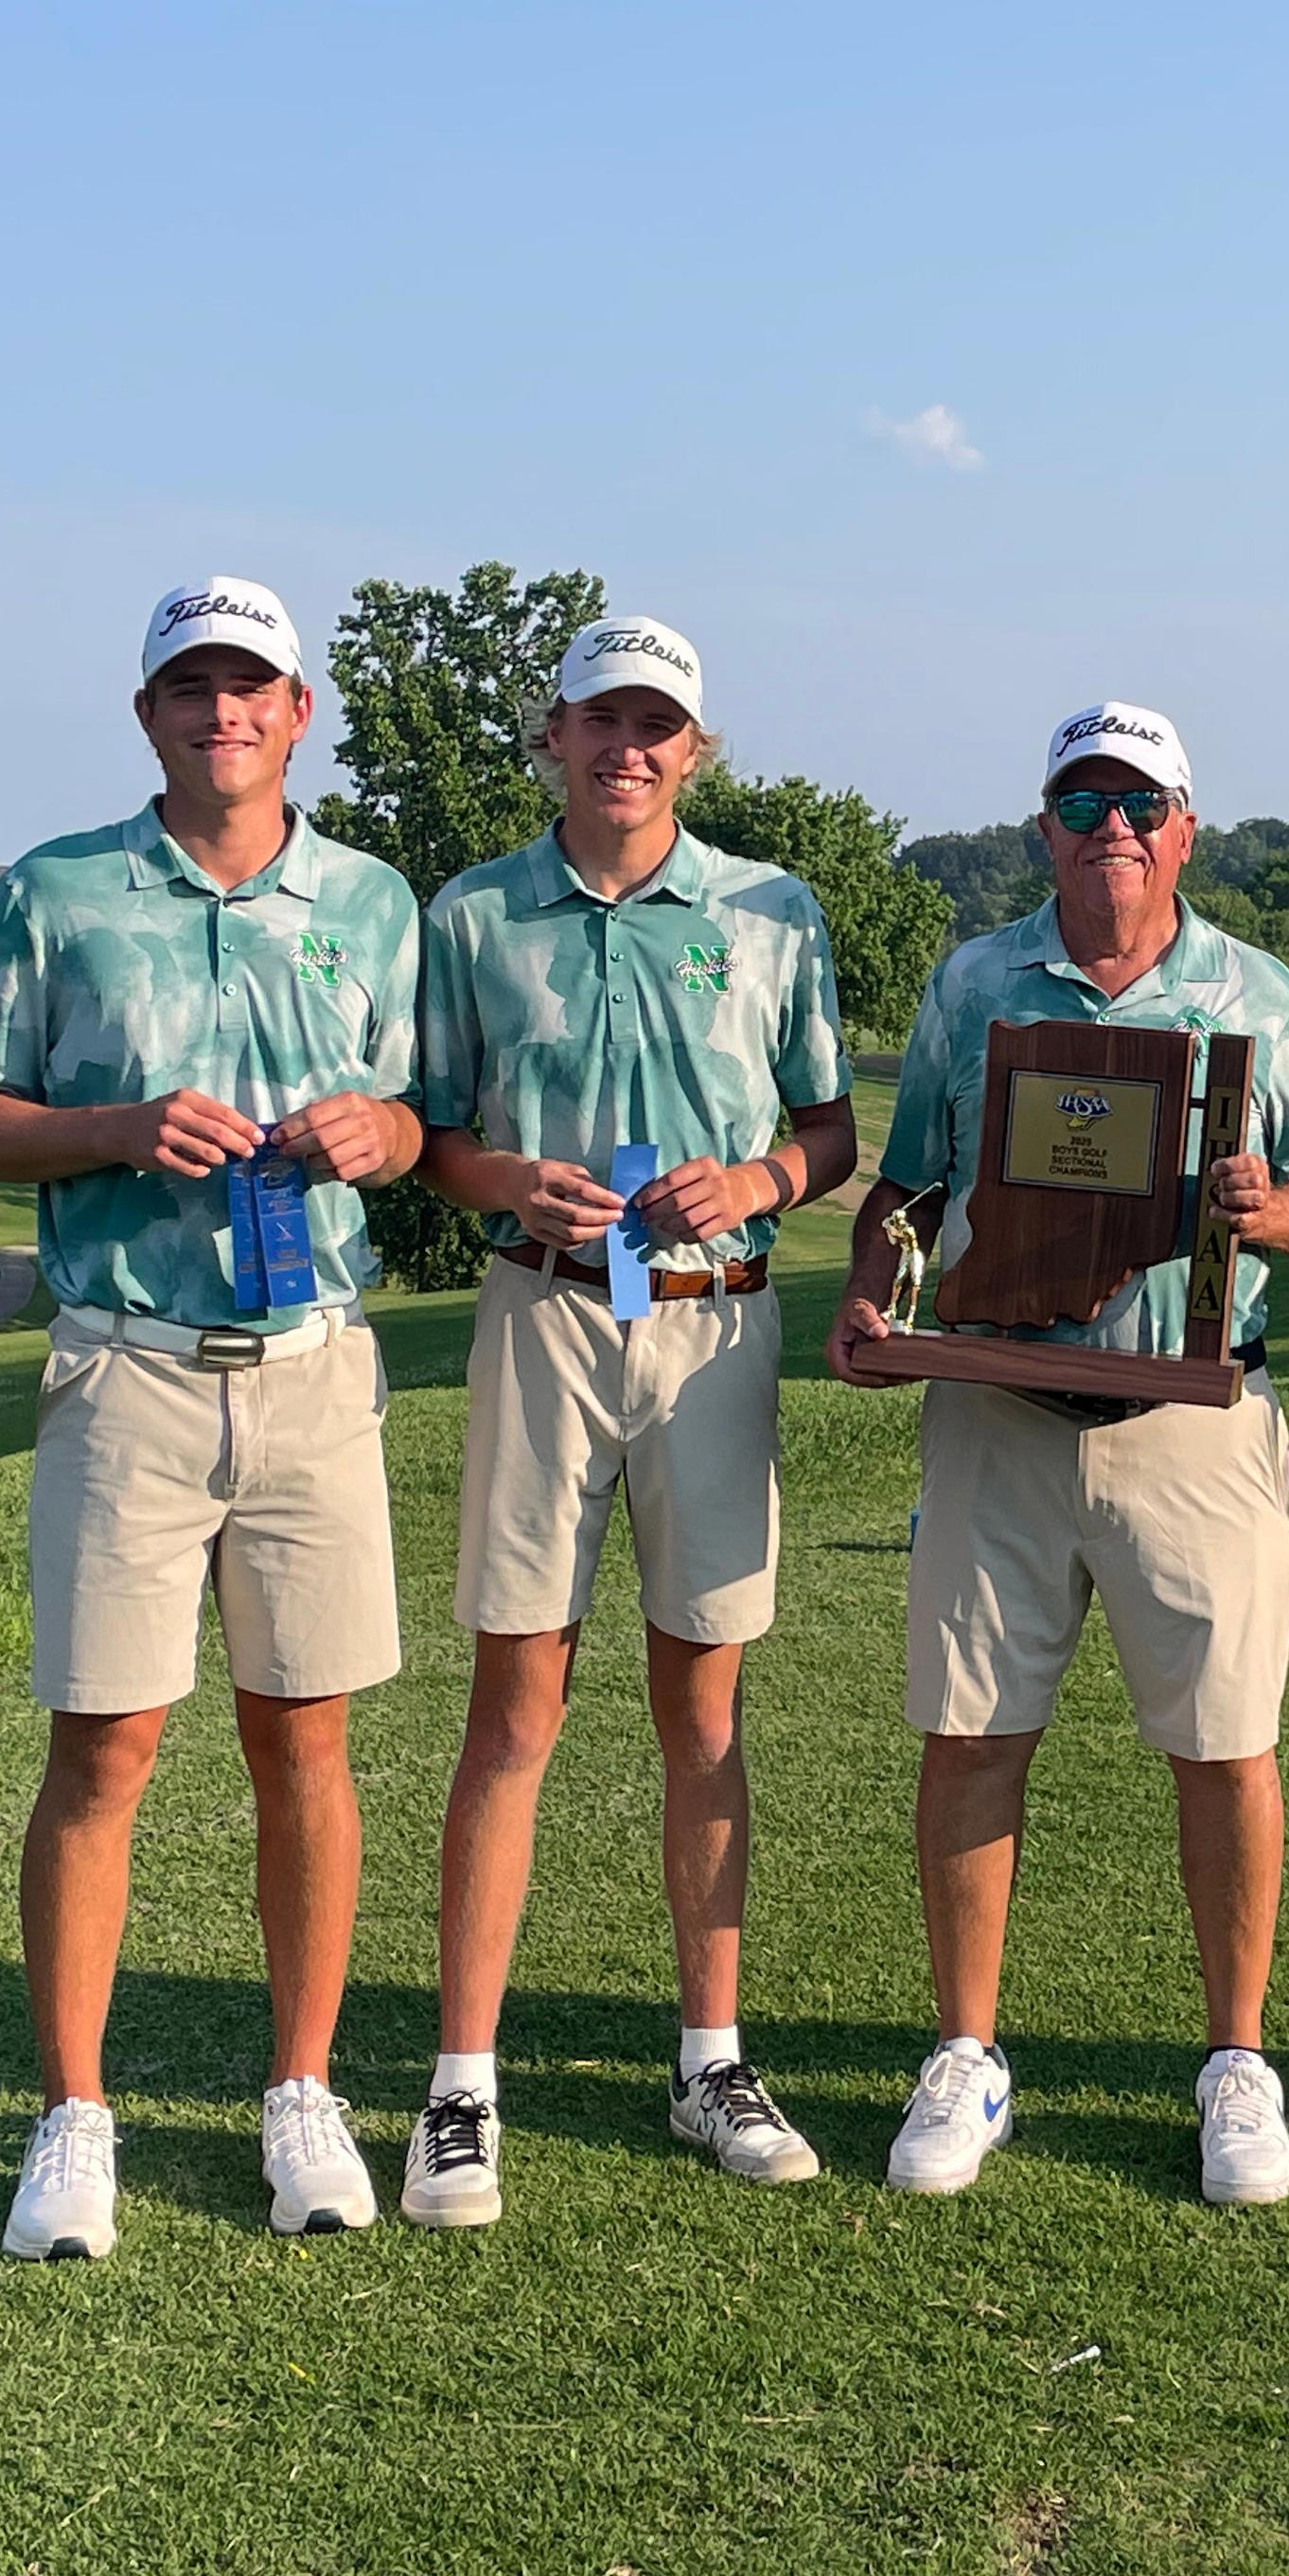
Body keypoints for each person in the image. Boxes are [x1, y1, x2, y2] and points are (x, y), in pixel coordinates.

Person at [0, 575, 424, 2262]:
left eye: (252, 686)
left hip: (310, 1365)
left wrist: (386, 1139)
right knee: (103, 1746)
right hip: (125, 1362)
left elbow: (419, 1108)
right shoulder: (57, 891)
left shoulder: (369, 897)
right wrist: (117, 1125)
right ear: (148, 713)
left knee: (306, 1742)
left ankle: (301, 2091)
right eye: (191, 686)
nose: (222, 712)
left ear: (299, 714)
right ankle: (75, 2113)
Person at [827, 702, 1289, 2207]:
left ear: (1186, 826)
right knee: (972, 1731)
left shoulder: (1252, 990)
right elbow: (909, 1186)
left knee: (1224, 1746)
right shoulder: (975, 979)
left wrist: (1275, 1210)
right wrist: (876, 1282)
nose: (1110, 826)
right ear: (1042, 827)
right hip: (999, 1410)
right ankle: (965, 2051)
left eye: (1140, 801)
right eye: (1082, 801)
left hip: (1192, 1417)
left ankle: (1236, 2061)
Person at [396, 616, 857, 2223]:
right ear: (555, 736)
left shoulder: (771, 909)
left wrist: (760, 1179)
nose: (628, 749)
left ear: (695, 749)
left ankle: (710, 2057)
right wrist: (503, 1176)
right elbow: (430, 1136)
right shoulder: (471, 915)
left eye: (658, 725)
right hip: (541, 1311)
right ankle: (461, 2083)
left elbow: (828, 1131)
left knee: (705, 1709)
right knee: (515, 1704)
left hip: (715, 1323)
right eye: (601, 721)